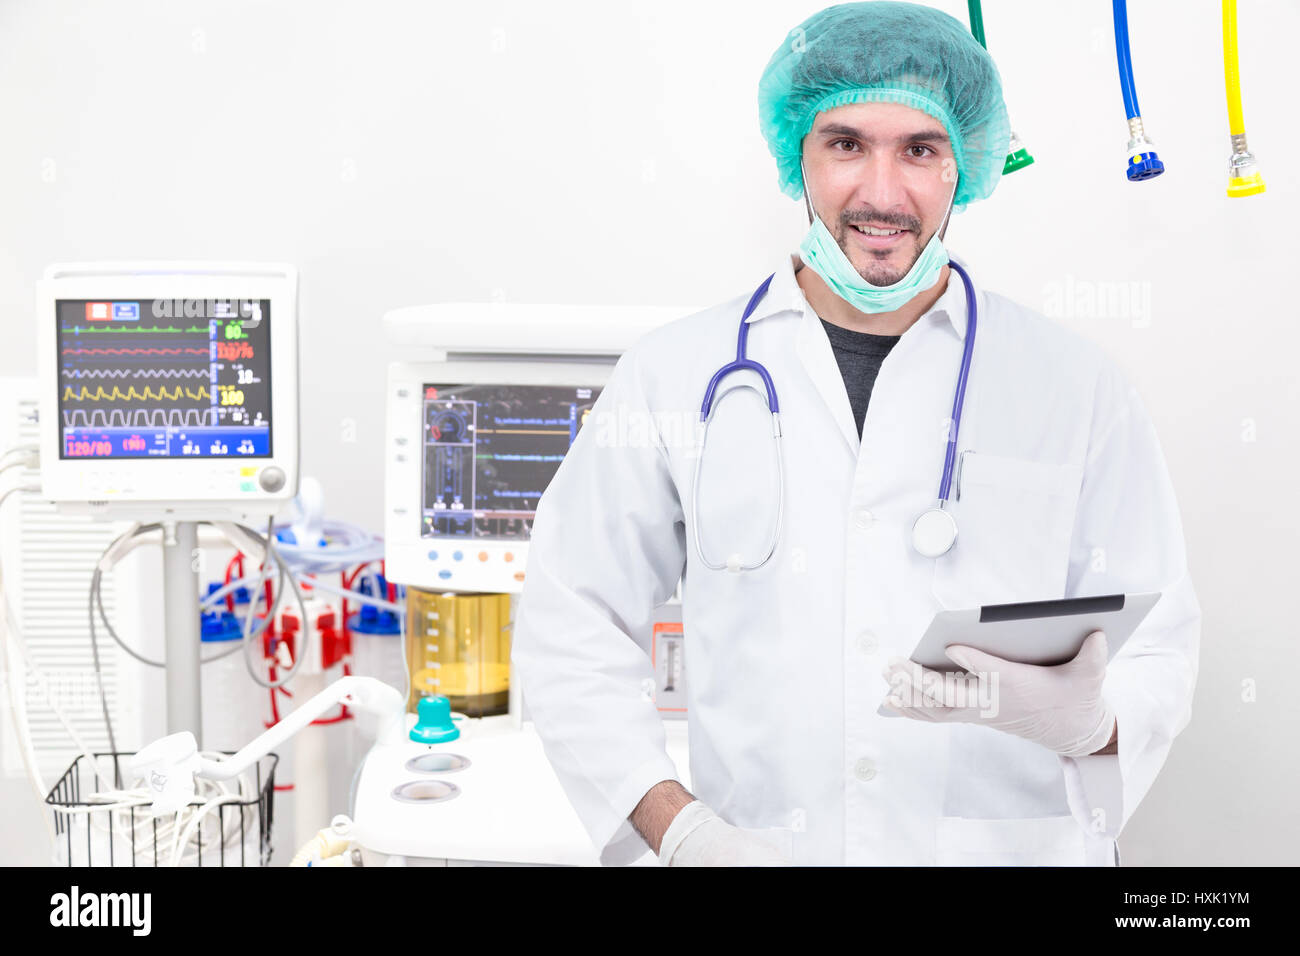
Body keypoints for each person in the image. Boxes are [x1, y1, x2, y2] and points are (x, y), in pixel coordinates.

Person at [513, 0, 1200, 866]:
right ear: (796, 154)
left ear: (968, 166)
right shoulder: (673, 376)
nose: (883, 193)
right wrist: (679, 829)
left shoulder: (1080, 388)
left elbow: (1162, 642)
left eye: (920, 149)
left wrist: (1099, 725)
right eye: (846, 144)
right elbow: (569, 615)